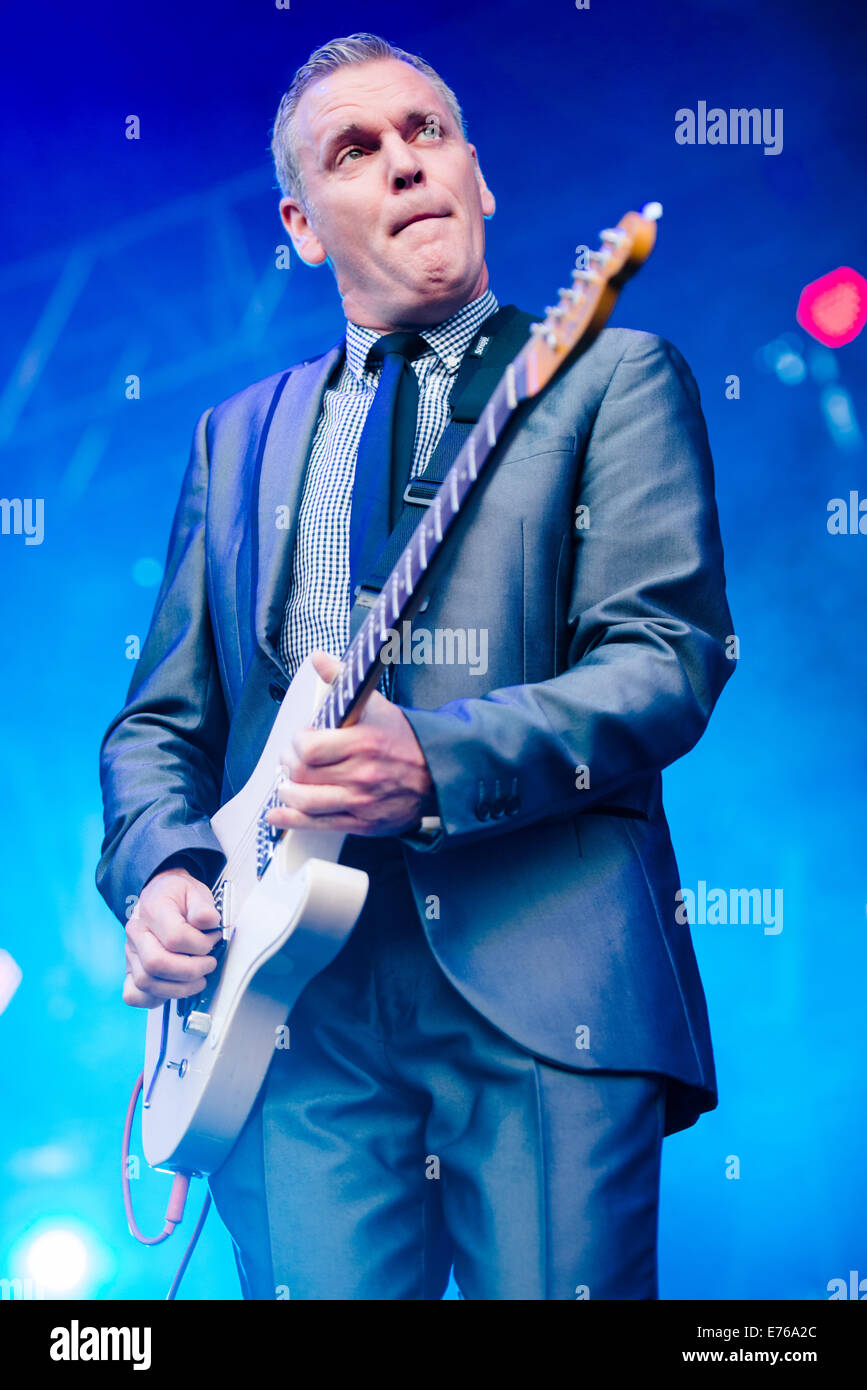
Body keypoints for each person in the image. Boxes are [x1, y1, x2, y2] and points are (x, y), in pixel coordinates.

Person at [97, 32, 736, 1300]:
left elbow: (667, 655)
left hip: (549, 996)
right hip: (287, 1025)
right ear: (301, 223)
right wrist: (161, 868)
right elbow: (158, 722)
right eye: (356, 148)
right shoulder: (239, 437)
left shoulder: (609, 375)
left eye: (426, 133)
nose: (402, 162)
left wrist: (434, 761)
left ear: (479, 179)